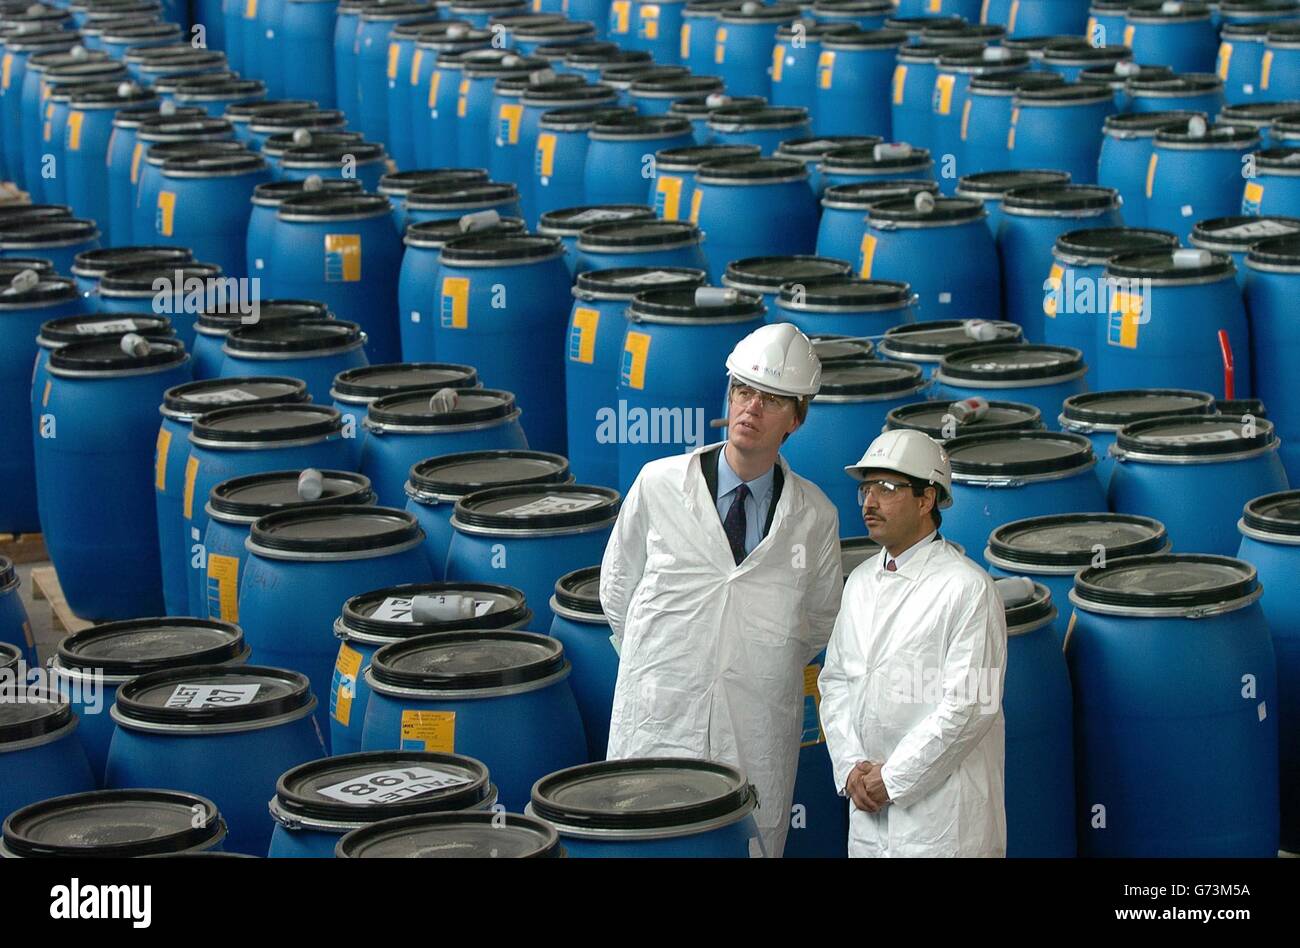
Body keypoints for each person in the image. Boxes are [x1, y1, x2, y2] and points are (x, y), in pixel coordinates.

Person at [599, 322, 843, 858]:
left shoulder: (815, 517)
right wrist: (664, 659)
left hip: (754, 724)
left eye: (771, 399)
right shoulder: (659, 485)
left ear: (796, 418)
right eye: (742, 390)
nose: (750, 408)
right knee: (648, 841)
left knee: (744, 845)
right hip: (659, 716)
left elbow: (820, 621)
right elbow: (617, 590)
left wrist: (746, 654)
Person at [818, 429, 1007, 858]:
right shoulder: (861, 581)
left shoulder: (967, 588)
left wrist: (893, 779)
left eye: (887, 488)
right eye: (866, 488)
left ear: (927, 500)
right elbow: (835, 683)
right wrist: (850, 768)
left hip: (943, 823)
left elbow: (970, 706)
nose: (869, 501)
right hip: (867, 814)